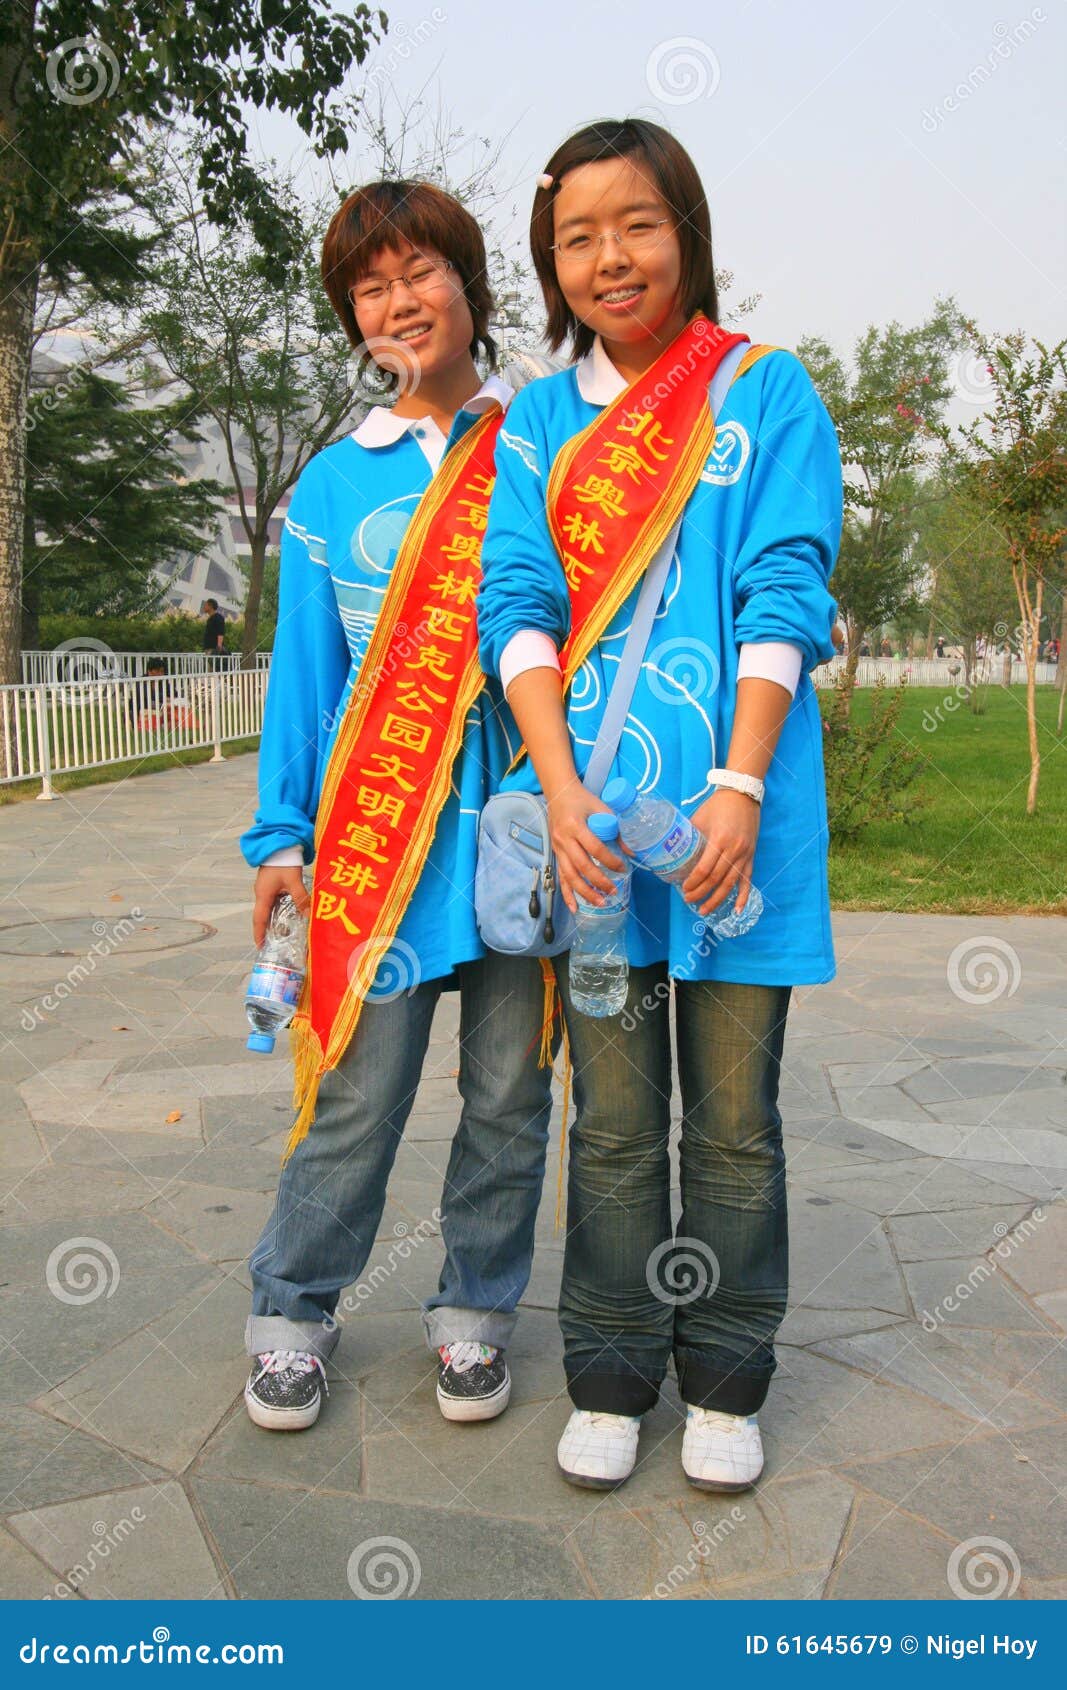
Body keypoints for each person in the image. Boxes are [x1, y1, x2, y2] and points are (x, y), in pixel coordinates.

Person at [478, 119, 842, 1493]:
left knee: (734, 1118)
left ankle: (729, 1372)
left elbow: (782, 591)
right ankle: (614, 1366)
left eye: (633, 223)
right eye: (576, 235)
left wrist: (740, 786)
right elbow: (514, 600)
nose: (607, 256)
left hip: (738, 837)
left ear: (684, 229)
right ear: (549, 258)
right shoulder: (536, 419)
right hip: (595, 849)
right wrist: (558, 792)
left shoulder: (763, 395)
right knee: (617, 1120)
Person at [239, 180, 556, 1433]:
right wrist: (279, 834)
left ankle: (474, 1311)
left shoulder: (543, 441)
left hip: (521, 826)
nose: (397, 302)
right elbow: (303, 681)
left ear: (469, 284)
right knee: (358, 1093)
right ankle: (291, 1307)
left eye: (417, 272)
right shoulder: (330, 487)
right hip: (383, 837)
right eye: (369, 288)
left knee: (509, 1090)